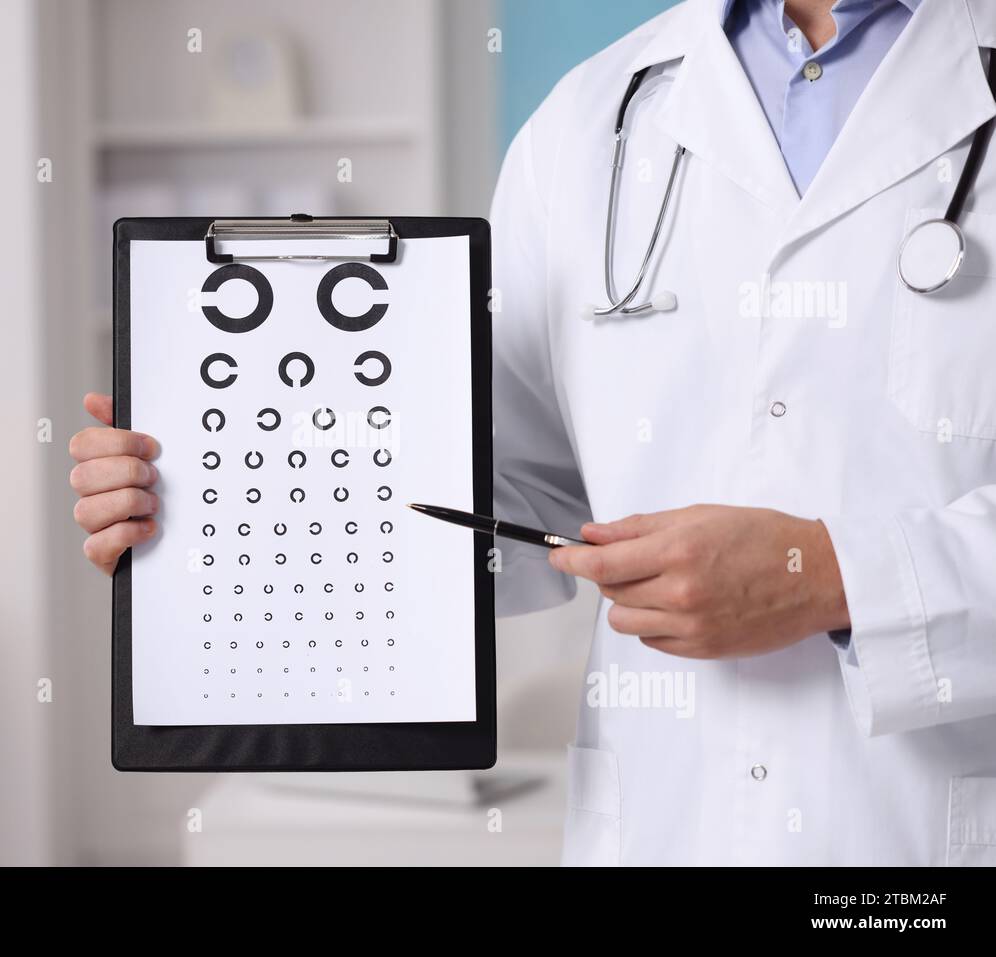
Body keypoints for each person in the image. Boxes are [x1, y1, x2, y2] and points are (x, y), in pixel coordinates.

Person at [71, 0, 996, 865]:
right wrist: (219, 501)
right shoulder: (590, 120)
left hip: (921, 840)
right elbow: (508, 503)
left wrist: (830, 580)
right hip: (665, 824)